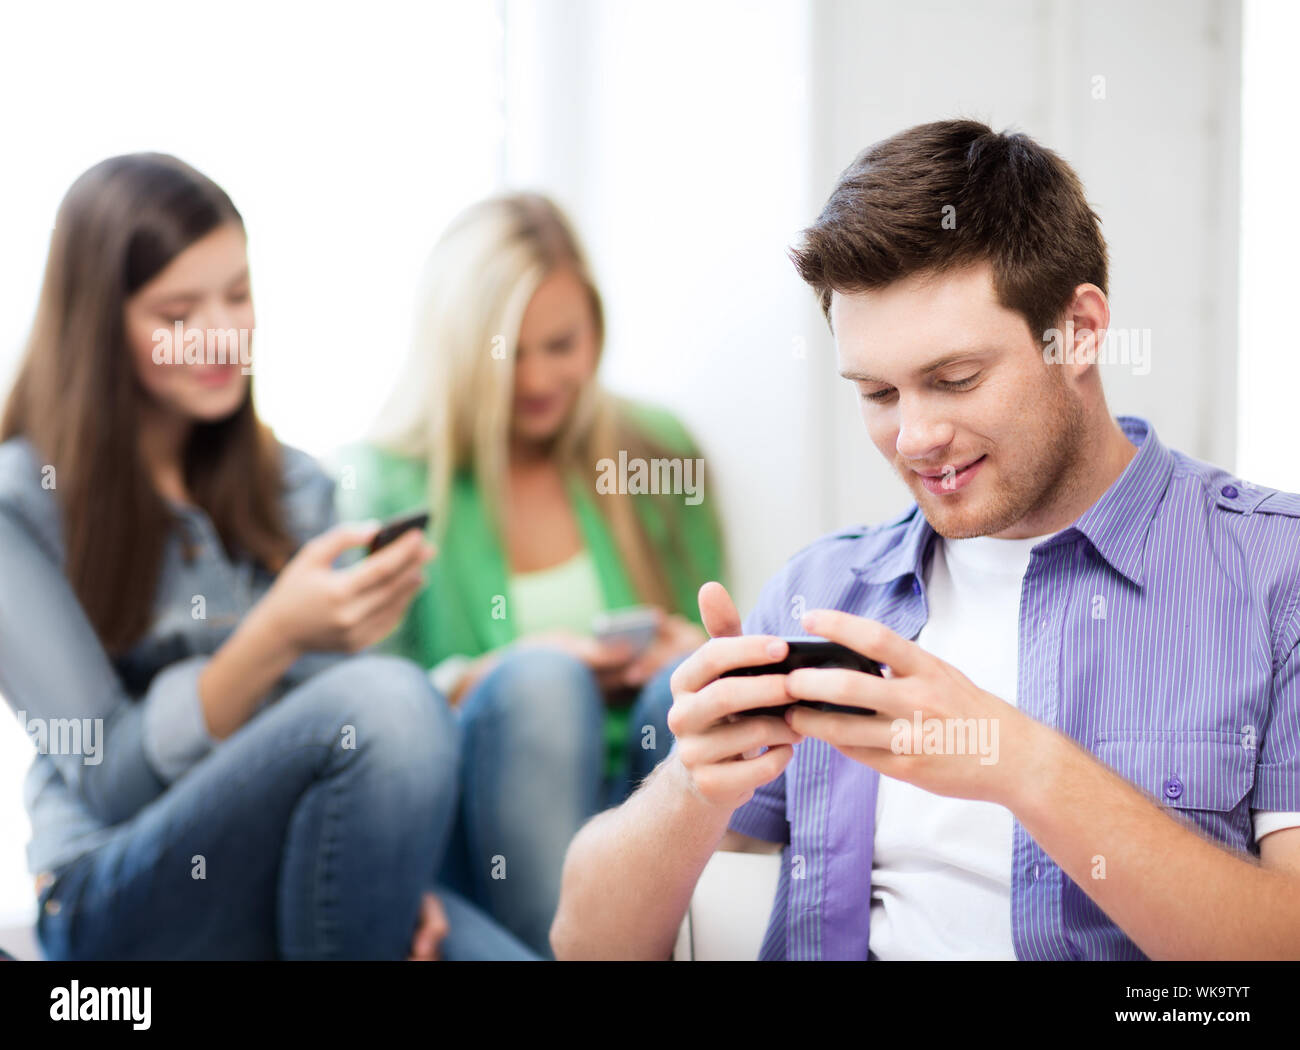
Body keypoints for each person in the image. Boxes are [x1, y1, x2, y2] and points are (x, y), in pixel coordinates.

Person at [550, 119, 1300, 961]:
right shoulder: (827, 590)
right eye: (877, 392)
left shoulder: (1273, 577)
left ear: (1081, 331)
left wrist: (1015, 760)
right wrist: (692, 785)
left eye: (955, 380)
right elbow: (586, 944)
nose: (913, 437)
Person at [0, 154, 533, 960]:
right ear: (98, 327)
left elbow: (351, 750)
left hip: (295, 861)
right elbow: (110, 780)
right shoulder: (21, 505)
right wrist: (274, 636)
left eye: (238, 295)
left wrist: (387, 875)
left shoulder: (292, 485)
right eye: (178, 313)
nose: (222, 333)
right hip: (114, 892)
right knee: (387, 703)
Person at [337, 192, 726, 956]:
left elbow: (715, 623)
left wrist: (686, 649)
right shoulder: (381, 486)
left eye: (563, 343)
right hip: (478, 823)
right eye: (513, 353)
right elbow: (362, 719)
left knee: (690, 674)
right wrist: (491, 672)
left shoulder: (654, 451)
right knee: (544, 684)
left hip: (641, 802)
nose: (543, 376)